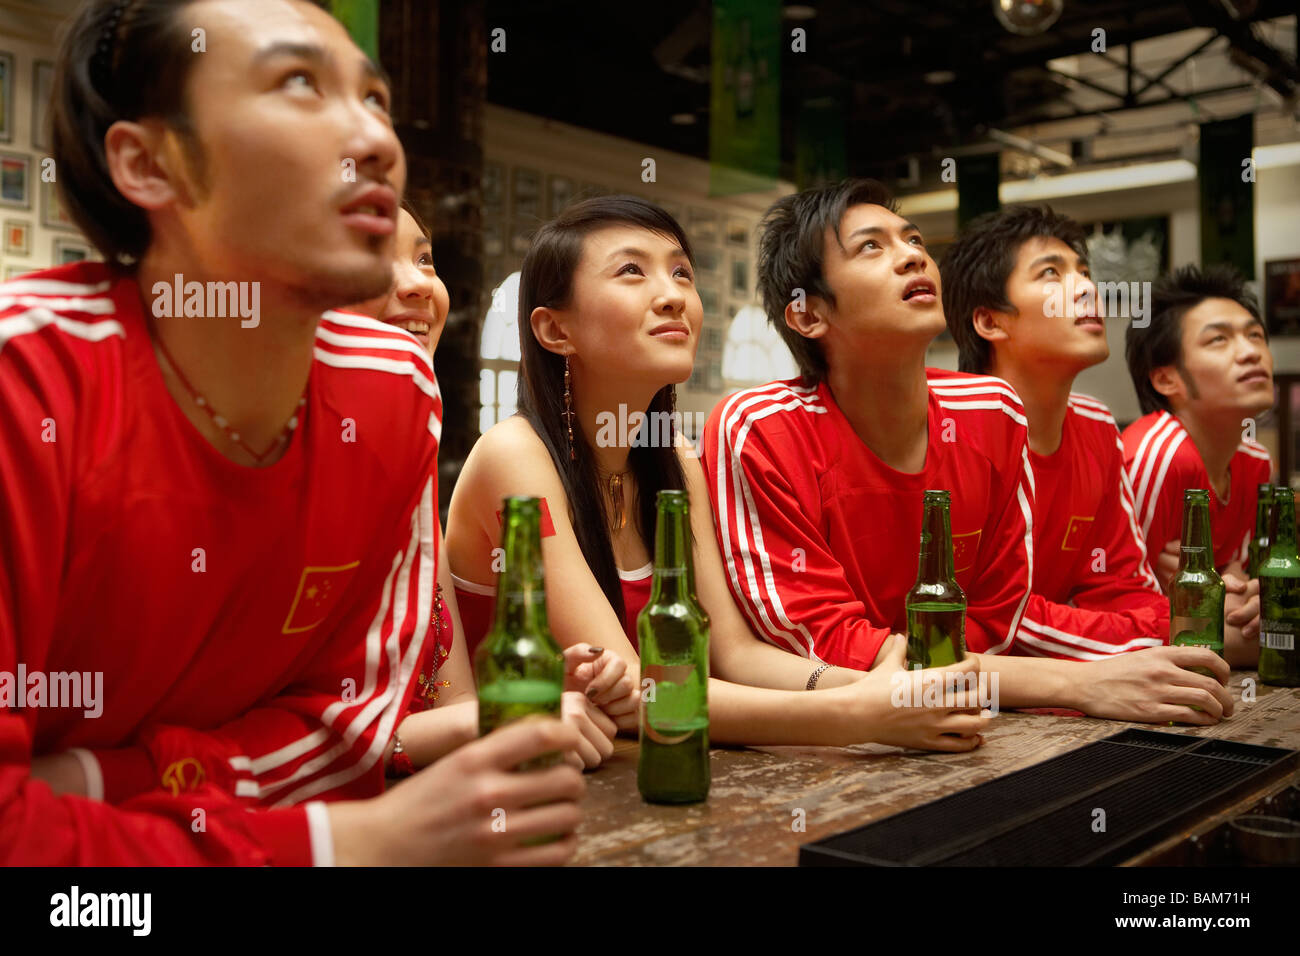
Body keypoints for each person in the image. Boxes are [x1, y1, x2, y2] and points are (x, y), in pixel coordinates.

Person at [2, 0, 583, 866]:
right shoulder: (27, 384)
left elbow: (341, 729)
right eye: (299, 84)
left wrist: (85, 782)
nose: (378, 141)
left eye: (377, 99)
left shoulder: (392, 391)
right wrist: (342, 842)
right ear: (148, 163)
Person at [447, 195, 991, 753]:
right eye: (632, 271)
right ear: (554, 330)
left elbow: (734, 656)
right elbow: (638, 691)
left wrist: (893, 692)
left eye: (682, 272)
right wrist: (859, 714)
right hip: (505, 790)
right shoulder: (513, 456)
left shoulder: (678, 460)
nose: (673, 296)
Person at [701, 178, 1233, 725]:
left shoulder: (994, 413)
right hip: (834, 737)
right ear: (808, 315)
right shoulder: (762, 430)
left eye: (913, 240)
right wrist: (1076, 681)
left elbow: (1000, 620)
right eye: (871, 247)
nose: (912, 256)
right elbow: (816, 639)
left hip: (972, 719)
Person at [345, 201, 621, 771]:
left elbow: (452, 702)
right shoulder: (254, 470)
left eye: (424, 259)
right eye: (369, 255)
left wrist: (523, 698)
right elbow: (265, 742)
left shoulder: (406, 454)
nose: (419, 285)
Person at [940, 204, 1168, 659]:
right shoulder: (950, 431)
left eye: (1084, 272)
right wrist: (1157, 638)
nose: (1086, 288)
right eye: (1051, 274)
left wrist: (1168, 629)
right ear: (990, 321)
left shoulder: (1096, 427)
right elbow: (979, 620)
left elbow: (1126, 590)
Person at [1123, 264, 1275, 668]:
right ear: (1166, 379)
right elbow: (1116, 598)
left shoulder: (1255, 461)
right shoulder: (1161, 457)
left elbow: (1234, 580)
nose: (1250, 352)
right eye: (1219, 340)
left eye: (1255, 335)